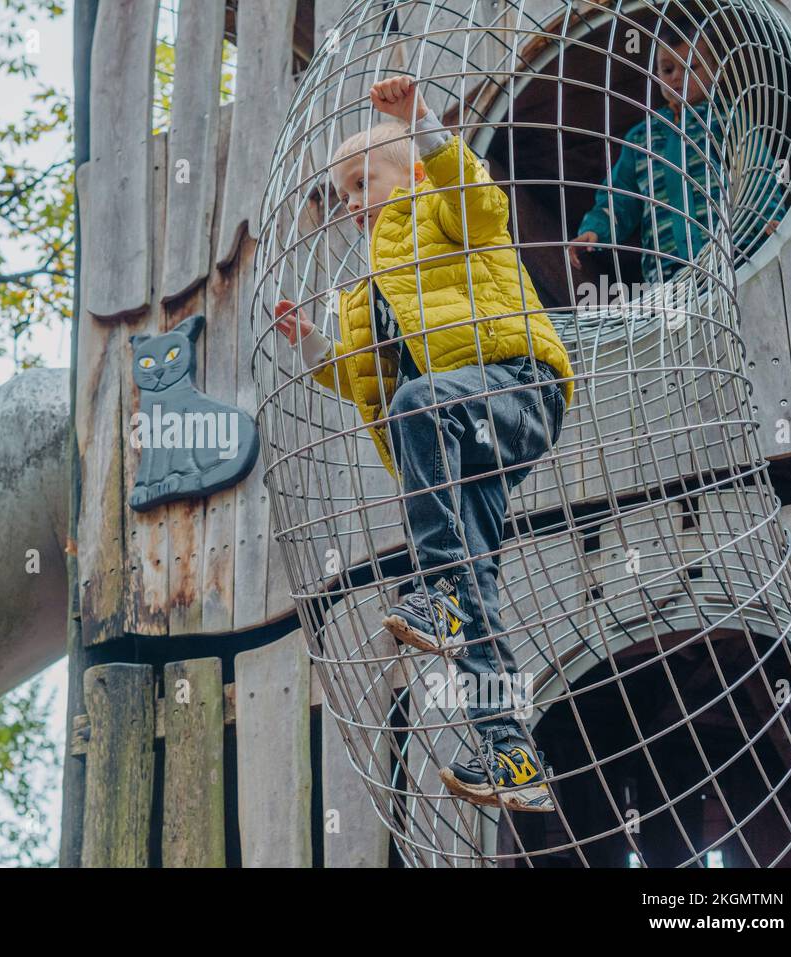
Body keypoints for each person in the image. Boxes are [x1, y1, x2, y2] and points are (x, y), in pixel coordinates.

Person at [273, 76, 572, 812]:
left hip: (516, 388)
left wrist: (425, 129)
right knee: (474, 594)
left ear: (408, 173)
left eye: (360, 183)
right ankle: (512, 756)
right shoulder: (361, 292)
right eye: (341, 196)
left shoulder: (441, 211)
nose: (350, 204)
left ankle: (437, 593)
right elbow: (360, 377)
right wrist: (312, 343)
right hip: (454, 442)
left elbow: (480, 202)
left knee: (421, 402)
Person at [570, 19, 787, 282]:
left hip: (732, 255)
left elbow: (757, 173)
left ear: (715, 70)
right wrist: (595, 230)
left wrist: (771, 218)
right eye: (668, 69)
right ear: (656, 75)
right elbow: (618, 198)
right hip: (667, 272)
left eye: (690, 68)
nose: (676, 77)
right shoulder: (641, 138)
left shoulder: (727, 118)